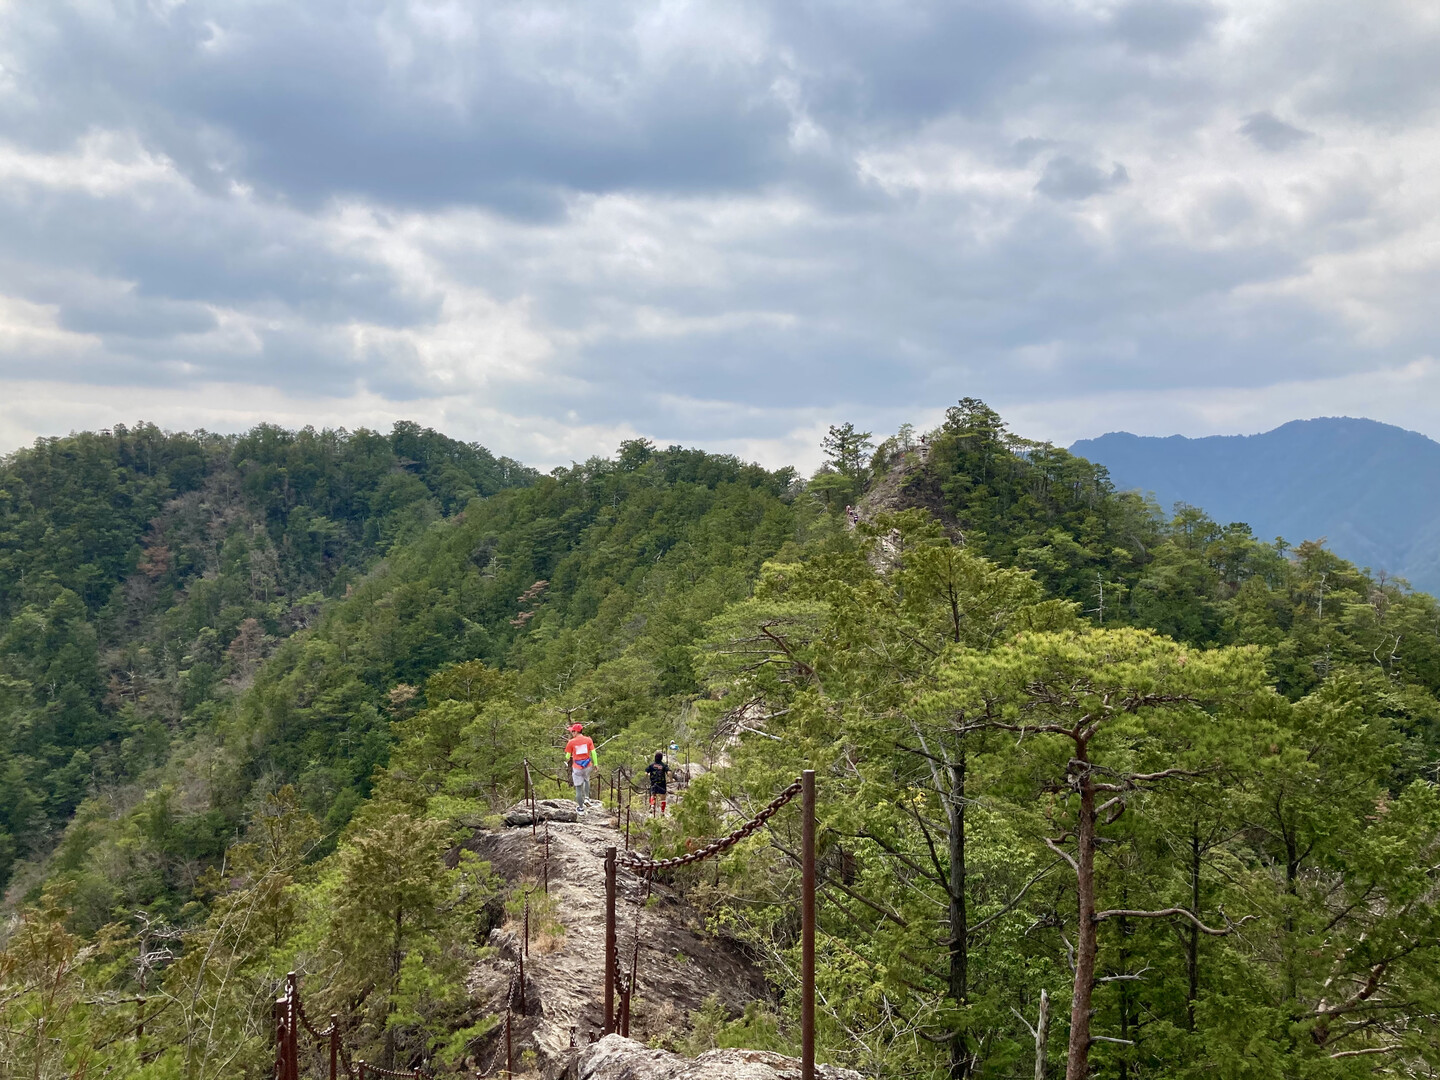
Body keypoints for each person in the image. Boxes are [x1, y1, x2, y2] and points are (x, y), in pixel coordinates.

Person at [565, 723, 597, 813]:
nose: (571, 733)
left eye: (572, 731)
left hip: (577, 767)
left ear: (576, 732)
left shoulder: (571, 742)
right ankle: (587, 798)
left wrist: (569, 756)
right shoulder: (588, 740)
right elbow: (593, 753)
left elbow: (567, 756)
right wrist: (596, 763)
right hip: (587, 765)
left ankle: (581, 808)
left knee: (578, 788)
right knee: (587, 780)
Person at [644, 751, 670, 816]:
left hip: (653, 782)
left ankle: (652, 806)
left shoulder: (651, 765)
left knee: (653, 795)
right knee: (663, 798)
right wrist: (671, 778)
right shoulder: (663, 765)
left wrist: (648, 775)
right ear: (661, 758)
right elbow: (669, 772)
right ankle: (662, 812)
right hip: (662, 783)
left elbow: (646, 772)